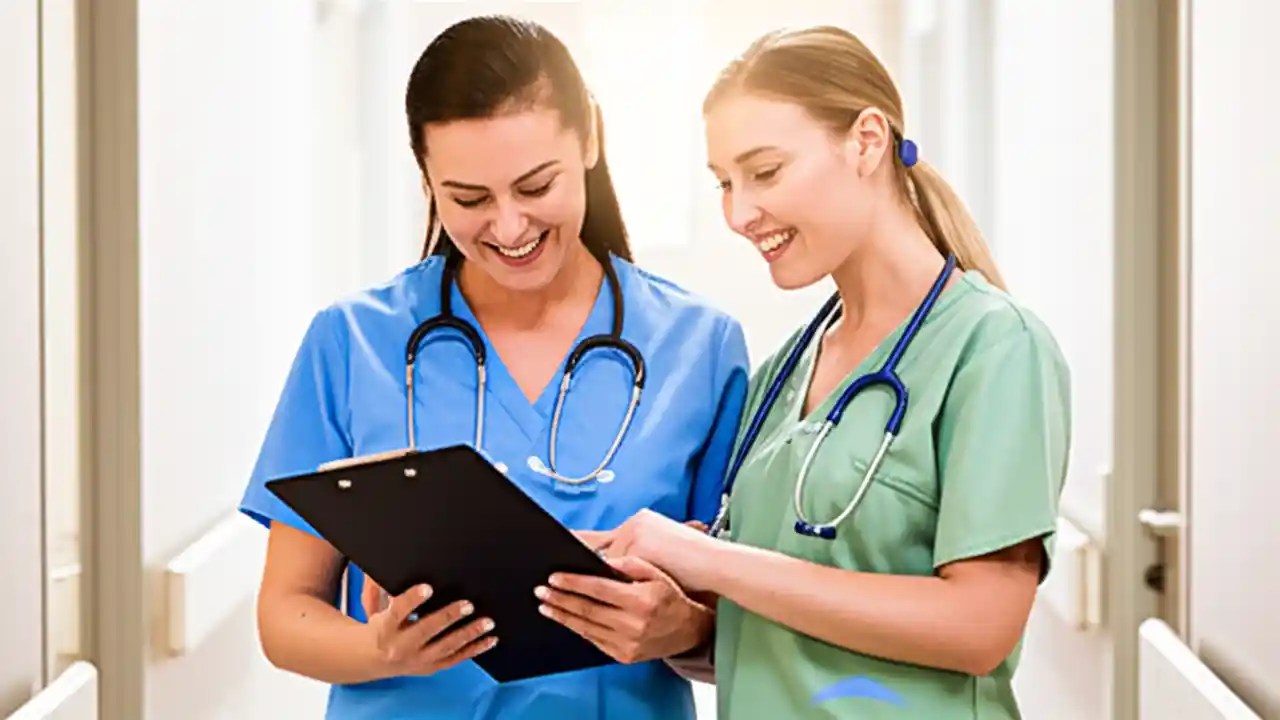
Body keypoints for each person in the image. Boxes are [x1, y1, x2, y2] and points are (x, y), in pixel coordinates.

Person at [539, 25, 1071, 719]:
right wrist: (670, 615)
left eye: (765, 172)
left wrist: (712, 563)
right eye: (725, 183)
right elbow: (768, 633)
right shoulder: (784, 371)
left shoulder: (995, 348)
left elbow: (980, 627)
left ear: (867, 142)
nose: (738, 212)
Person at [238, 15, 748, 720]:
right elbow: (284, 616)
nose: (509, 229)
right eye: (469, 200)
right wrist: (383, 649)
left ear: (591, 138)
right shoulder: (353, 342)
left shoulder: (699, 348)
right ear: (426, 179)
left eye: (536, 187)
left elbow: (738, 617)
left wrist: (682, 628)